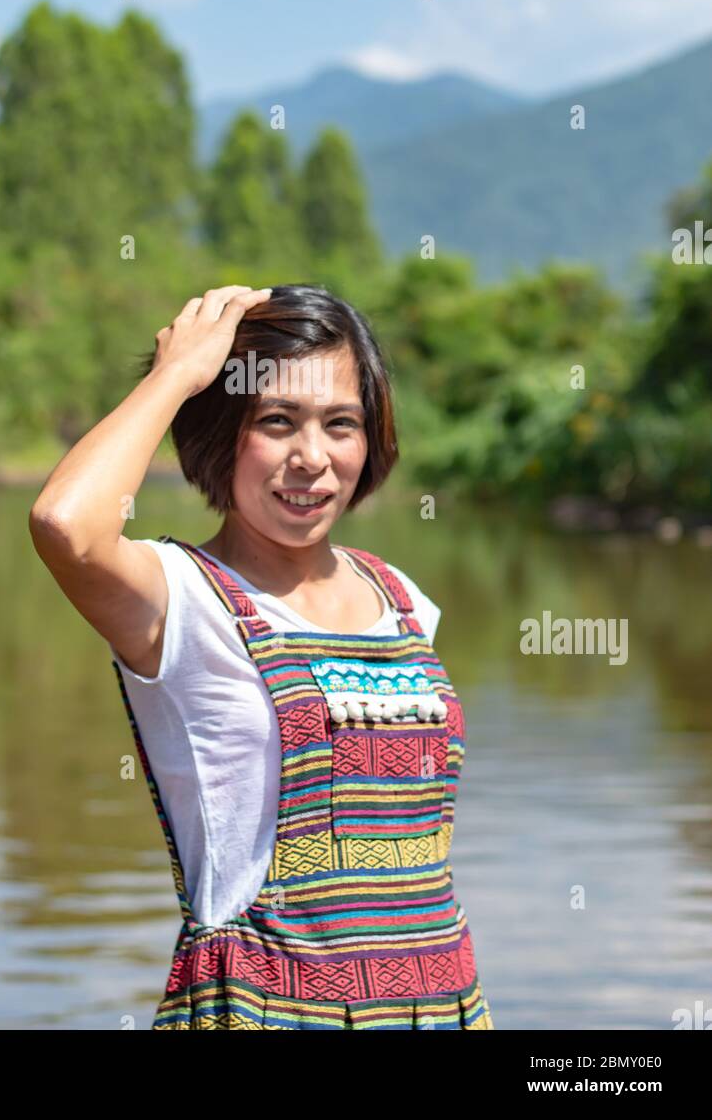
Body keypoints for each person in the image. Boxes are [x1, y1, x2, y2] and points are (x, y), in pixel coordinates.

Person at [29, 282, 494, 1030]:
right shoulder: (180, 601)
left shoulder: (402, 598)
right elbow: (66, 524)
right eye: (277, 422)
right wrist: (175, 375)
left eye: (341, 423)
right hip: (266, 1009)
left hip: (440, 1006)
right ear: (223, 436)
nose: (312, 458)